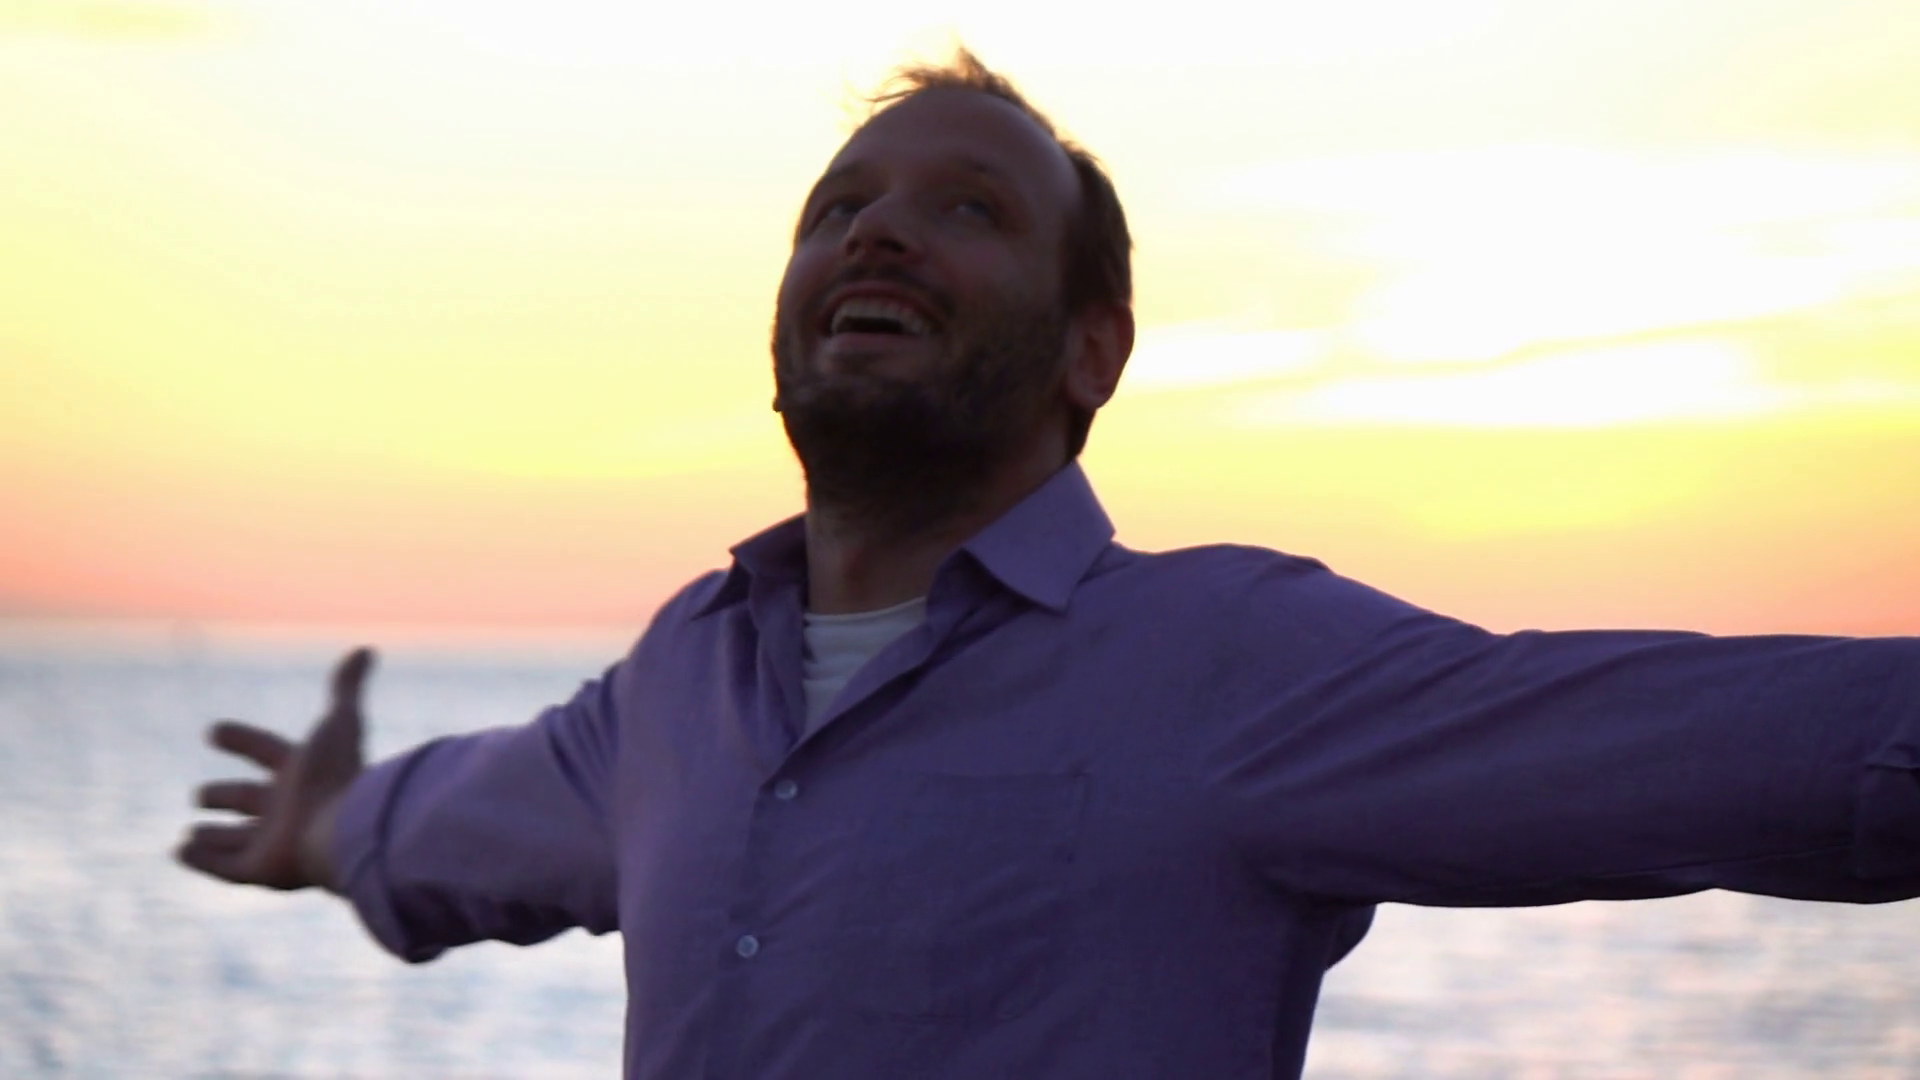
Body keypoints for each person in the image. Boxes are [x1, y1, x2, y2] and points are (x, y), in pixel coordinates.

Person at [178, 50, 1920, 1080]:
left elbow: (1726, 743)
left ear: (1096, 351)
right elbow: (475, 822)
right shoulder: (681, 680)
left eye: (968, 210)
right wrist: (329, 824)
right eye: (838, 204)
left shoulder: (1228, 661)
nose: (873, 229)